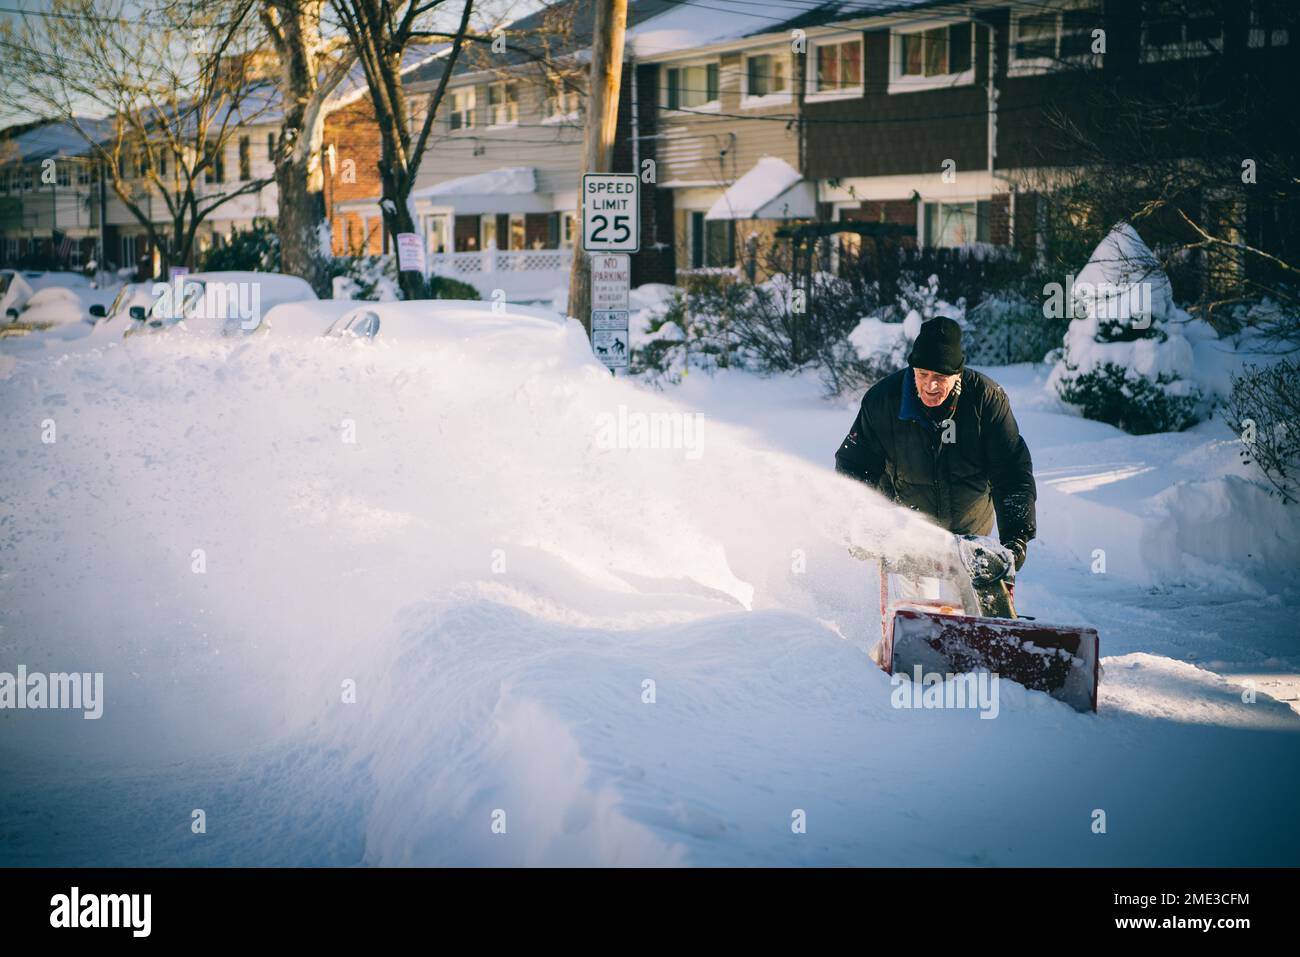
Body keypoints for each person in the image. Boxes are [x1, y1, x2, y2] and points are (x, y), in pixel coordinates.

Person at [835, 316, 1037, 612]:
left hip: (972, 532)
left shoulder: (986, 401)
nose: (930, 385)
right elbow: (855, 467)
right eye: (922, 374)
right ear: (912, 370)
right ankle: (919, 655)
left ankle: (978, 656)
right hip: (912, 532)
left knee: (977, 618)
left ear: (958, 375)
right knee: (922, 619)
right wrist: (861, 523)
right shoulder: (883, 402)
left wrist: (1016, 535)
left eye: (940, 377)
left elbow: (1011, 471)